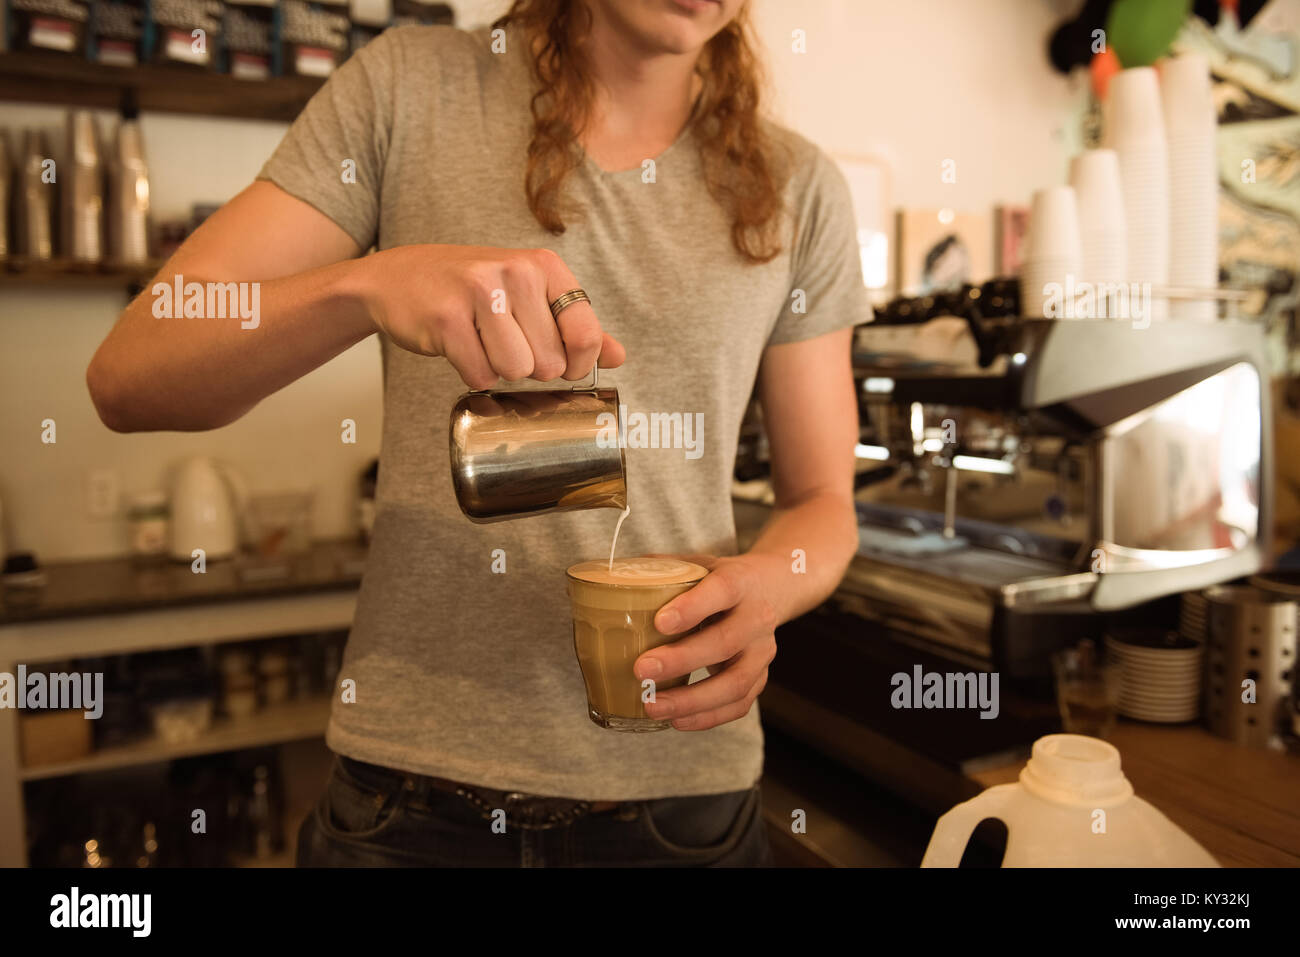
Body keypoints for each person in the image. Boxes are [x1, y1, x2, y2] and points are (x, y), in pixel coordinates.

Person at [86, 0, 867, 867]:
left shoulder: (799, 187)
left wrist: (770, 585)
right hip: (408, 804)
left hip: (681, 807)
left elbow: (823, 501)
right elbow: (130, 371)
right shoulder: (410, 85)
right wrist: (365, 286)